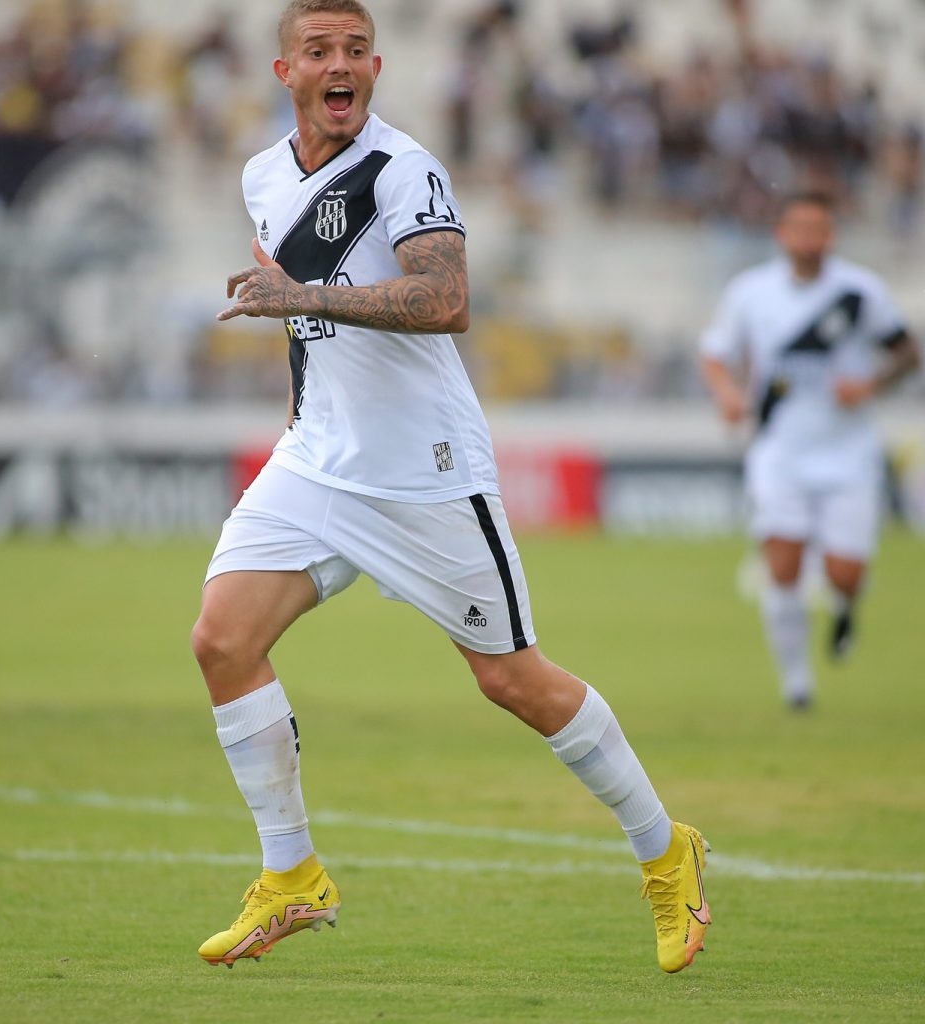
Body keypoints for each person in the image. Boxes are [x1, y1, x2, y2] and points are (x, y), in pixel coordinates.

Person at [192, 0, 710, 974]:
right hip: (315, 463)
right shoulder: (261, 176)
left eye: (354, 51)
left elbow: (448, 299)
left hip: (424, 473)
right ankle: (292, 874)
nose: (339, 66)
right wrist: (305, 378)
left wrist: (302, 295)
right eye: (319, 52)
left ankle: (662, 849)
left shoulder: (404, 168)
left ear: (377, 66)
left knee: (510, 677)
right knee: (221, 639)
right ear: (283, 71)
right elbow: (310, 334)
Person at [699, 192, 922, 710]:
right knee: (783, 568)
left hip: (849, 452)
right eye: (797, 227)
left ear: (831, 235)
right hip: (778, 450)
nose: (807, 238)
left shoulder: (860, 291)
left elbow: (909, 352)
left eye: (817, 228)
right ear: (781, 234)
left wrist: (871, 384)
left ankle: (846, 608)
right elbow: (714, 354)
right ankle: (797, 684)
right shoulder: (752, 292)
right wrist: (728, 394)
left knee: (845, 574)